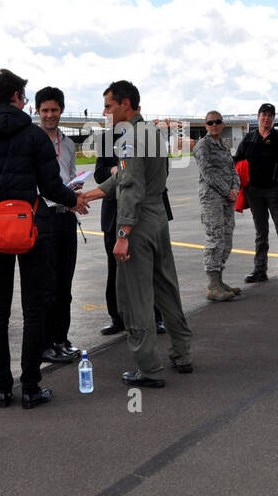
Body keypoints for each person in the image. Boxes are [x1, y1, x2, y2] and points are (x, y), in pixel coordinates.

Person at [0, 68, 85, 408]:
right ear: (15, 97)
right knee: (33, 309)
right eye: (25, 96)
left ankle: (1, 388)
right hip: (31, 228)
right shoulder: (33, 135)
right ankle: (30, 386)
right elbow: (53, 186)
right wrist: (74, 200)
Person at [79, 80, 192, 387]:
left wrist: (124, 232)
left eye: (109, 106)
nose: (106, 112)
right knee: (166, 288)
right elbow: (130, 178)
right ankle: (182, 353)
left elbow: (131, 186)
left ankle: (149, 368)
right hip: (157, 217)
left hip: (138, 221)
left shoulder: (129, 138)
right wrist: (92, 194)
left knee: (135, 297)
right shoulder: (151, 133)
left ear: (125, 105)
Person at [34, 86, 82, 364]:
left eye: (54, 110)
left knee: (65, 284)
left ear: (61, 110)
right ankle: (45, 343)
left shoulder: (68, 143)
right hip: (44, 217)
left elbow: (71, 173)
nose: (50, 115)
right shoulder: (32, 140)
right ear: (37, 111)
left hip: (66, 215)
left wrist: (76, 188)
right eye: (45, 111)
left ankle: (61, 339)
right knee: (47, 286)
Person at [98, 147, 167, 336]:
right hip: (114, 214)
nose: (106, 114)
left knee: (150, 269)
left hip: (144, 213)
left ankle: (156, 317)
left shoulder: (147, 137)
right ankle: (118, 318)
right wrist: (114, 171)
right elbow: (99, 173)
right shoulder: (105, 140)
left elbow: (159, 173)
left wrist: (125, 173)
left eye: (110, 113)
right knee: (115, 270)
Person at [233, 102, 278, 285]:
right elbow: (237, 160)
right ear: (258, 117)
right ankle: (260, 270)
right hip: (254, 192)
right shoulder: (249, 139)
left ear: (273, 118)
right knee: (260, 232)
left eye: (270, 115)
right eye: (264, 114)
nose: (267, 118)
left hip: (275, 191)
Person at [192, 110, 240, 301]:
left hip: (227, 199)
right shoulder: (202, 146)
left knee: (226, 239)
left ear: (222, 124)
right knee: (215, 239)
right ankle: (212, 284)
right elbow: (208, 173)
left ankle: (219, 281)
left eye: (217, 122)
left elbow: (232, 169)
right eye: (210, 123)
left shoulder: (223, 145)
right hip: (212, 199)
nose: (214, 125)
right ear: (206, 126)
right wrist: (227, 191)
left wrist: (235, 188)